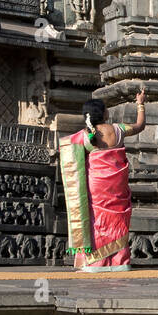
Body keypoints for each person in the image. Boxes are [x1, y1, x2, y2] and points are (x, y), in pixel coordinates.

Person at [58, 89, 147, 272]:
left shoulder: (84, 135)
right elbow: (140, 126)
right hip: (117, 185)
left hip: (96, 185)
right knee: (117, 219)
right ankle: (119, 262)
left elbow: (68, 151)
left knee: (97, 220)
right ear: (104, 113)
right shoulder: (118, 129)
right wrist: (140, 103)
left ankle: (95, 262)